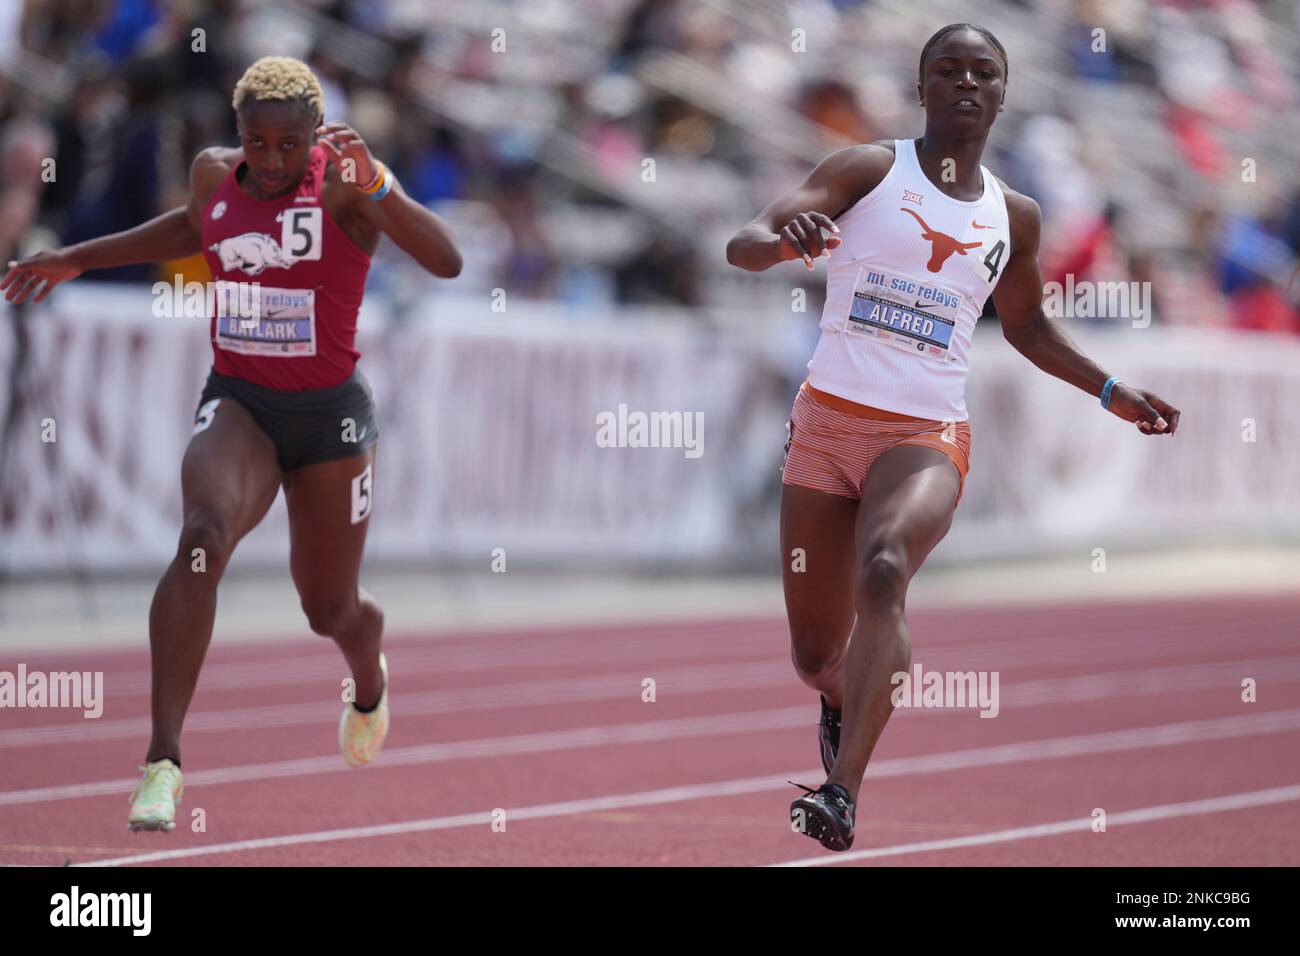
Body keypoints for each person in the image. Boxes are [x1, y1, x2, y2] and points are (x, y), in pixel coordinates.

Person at [724, 24, 1180, 851]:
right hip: (826, 424)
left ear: (1004, 94)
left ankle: (843, 794)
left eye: (983, 73)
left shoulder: (1017, 216)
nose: (965, 84)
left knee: (886, 568)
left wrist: (1110, 389)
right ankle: (840, 694)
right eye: (947, 70)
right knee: (814, 652)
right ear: (923, 84)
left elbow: (1030, 325)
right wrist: (783, 242)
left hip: (927, 434)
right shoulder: (869, 170)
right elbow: (745, 240)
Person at [2, 56, 463, 831]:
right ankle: (163, 763)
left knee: (329, 607)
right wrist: (77, 257)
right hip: (241, 402)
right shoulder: (216, 174)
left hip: (330, 421)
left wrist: (381, 185)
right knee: (201, 538)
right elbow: (192, 227)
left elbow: (448, 260)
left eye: (290, 145)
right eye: (258, 142)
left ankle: (368, 673)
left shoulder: (348, 181)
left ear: (317, 135)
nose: (274, 161)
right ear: (238, 134)